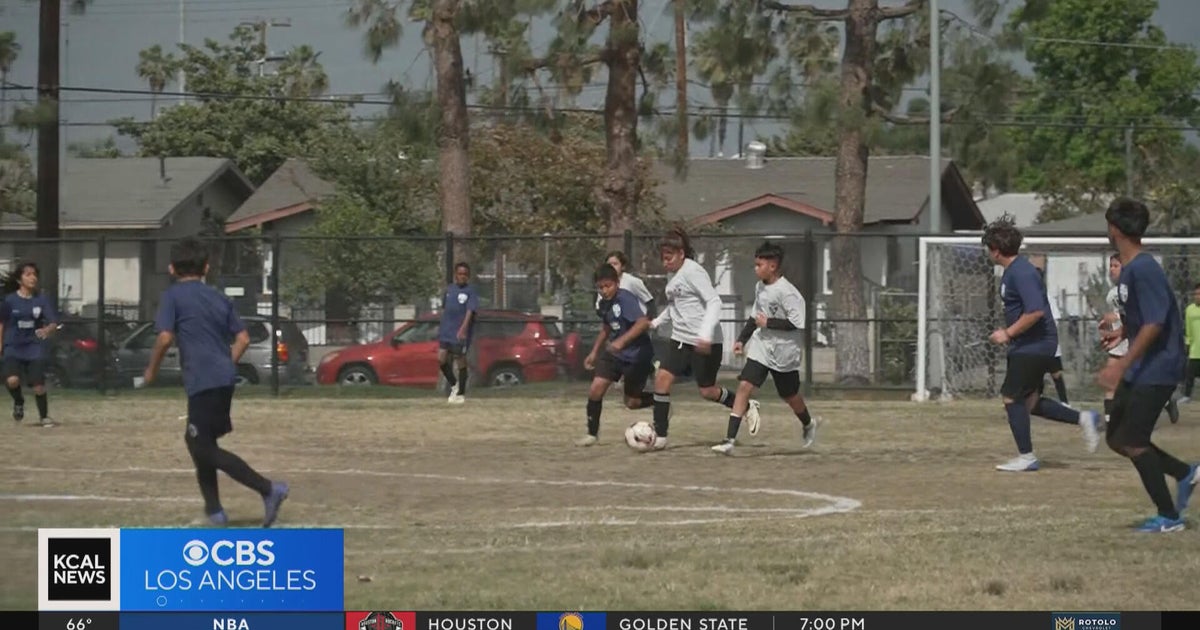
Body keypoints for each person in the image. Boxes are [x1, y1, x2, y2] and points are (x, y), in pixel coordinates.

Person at [143, 238, 289, 527]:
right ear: (206, 268)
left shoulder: (173, 296)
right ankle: (215, 512)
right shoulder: (220, 297)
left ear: (172, 269)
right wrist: (225, 364)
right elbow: (244, 339)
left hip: (203, 380)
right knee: (199, 441)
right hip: (224, 378)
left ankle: (269, 489)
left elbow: (164, 337)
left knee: (203, 447)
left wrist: (151, 370)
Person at [1097, 198, 1197, 533]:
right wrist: (1122, 332)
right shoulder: (1130, 270)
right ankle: (1185, 473)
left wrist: (1120, 363)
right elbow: (1144, 318)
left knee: (1134, 441)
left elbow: (1156, 324)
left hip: (1160, 366)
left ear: (1113, 228)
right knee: (1116, 437)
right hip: (1143, 368)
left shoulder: (1144, 268)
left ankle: (1169, 517)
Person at [982, 216, 1101, 472]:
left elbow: (1035, 312)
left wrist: (1008, 333)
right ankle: (1084, 418)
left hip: (1034, 346)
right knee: (1030, 402)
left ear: (995, 250)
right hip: (1031, 345)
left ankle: (1026, 457)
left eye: (987, 248)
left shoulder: (1022, 272)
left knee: (1011, 397)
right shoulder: (1014, 271)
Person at [647, 228, 758, 450]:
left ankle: (744, 405)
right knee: (661, 380)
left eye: (668, 257)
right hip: (680, 339)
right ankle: (660, 436)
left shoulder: (693, 271)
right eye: (663, 257)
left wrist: (705, 335)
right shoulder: (674, 275)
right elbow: (675, 306)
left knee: (707, 391)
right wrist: (656, 322)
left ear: (681, 254)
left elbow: (714, 302)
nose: (665, 262)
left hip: (706, 341)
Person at [712, 242, 817, 455]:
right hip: (762, 347)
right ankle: (729, 441)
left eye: (759, 264)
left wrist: (768, 323)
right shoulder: (760, 286)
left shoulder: (788, 293)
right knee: (744, 387)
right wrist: (742, 339)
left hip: (784, 351)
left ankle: (808, 423)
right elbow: (755, 317)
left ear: (773, 265)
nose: (755, 269)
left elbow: (798, 322)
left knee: (789, 395)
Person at [576, 263, 656, 447]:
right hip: (614, 354)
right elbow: (607, 327)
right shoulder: (604, 303)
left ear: (617, 283)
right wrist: (595, 352)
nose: (604, 290)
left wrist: (622, 341)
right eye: (600, 287)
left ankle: (659, 402)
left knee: (632, 402)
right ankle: (591, 434)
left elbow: (643, 323)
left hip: (637, 355)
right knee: (596, 389)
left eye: (608, 286)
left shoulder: (625, 299)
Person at [1102, 254, 1179, 424]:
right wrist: (1113, 330)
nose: (1112, 270)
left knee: (1137, 380)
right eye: (1110, 266)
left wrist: (1115, 318)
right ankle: (1109, 420)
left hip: (1136, 338)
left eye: (1116, 265)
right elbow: (1123, 315)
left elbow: (1139, 313)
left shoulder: (1133, 287)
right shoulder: (1112, 294)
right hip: (1122, 338)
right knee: (1112, 376)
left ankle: (1165, 402)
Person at [0, 261, 58, 427]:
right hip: (14, 346)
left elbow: (53, 321)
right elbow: (1, 323)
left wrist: (47, 330)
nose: (33, 278)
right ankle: (19, 401)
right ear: (20, 280)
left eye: (34, 275)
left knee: (38, 385)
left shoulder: (41, 299)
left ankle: (44, 416)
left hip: (34, 346)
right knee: (12, 381)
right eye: (28, 274)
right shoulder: (10, 300)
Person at [438, 262, 478, 404]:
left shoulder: (470, 291)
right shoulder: (449, 290)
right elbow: (444, 309)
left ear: (468, 276)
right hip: (446, 331)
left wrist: (463, 328)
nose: (462, 277)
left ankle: (461, 393)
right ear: (456, 275)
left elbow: (470, 311)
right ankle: (454, 385)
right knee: (441, 359)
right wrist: (441, 325)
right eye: (460, 274)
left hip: (459, 332)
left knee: (460, 359)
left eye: (465, 274)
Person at [1034, 265, 1070, 405]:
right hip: (1034, 344)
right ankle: (1035, 401)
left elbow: (1055, 319)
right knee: (1034, 373)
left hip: (1048, 342)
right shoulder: (1027, 297)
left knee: (1056, 373)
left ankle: (1065, 402)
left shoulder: (1047, 298)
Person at [598, 251, 656, 318]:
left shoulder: (632, 281)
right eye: (609, 265)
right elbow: (600, 308)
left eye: (615, 264)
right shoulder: (603, 284)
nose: (612, 267)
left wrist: (649, 322)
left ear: (623, 267)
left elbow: (650, 302)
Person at [1179, 282, 1200, 404]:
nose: (1198, 296)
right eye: (1196, 294)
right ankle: (1187, 396)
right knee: (1189, 375)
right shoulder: (1189, 310)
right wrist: (1188, 344)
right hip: (1194, 350)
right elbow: (1188, 330)